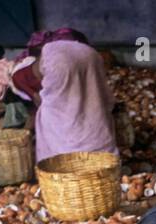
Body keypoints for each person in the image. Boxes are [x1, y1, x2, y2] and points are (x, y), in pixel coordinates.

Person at [13, 33, 115, 162]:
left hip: (61, 151)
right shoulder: (92, 55)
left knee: (60, 171)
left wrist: (35, 95)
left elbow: (19, 77)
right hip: (99, 145)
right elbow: (109, 101)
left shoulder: (52, 54)